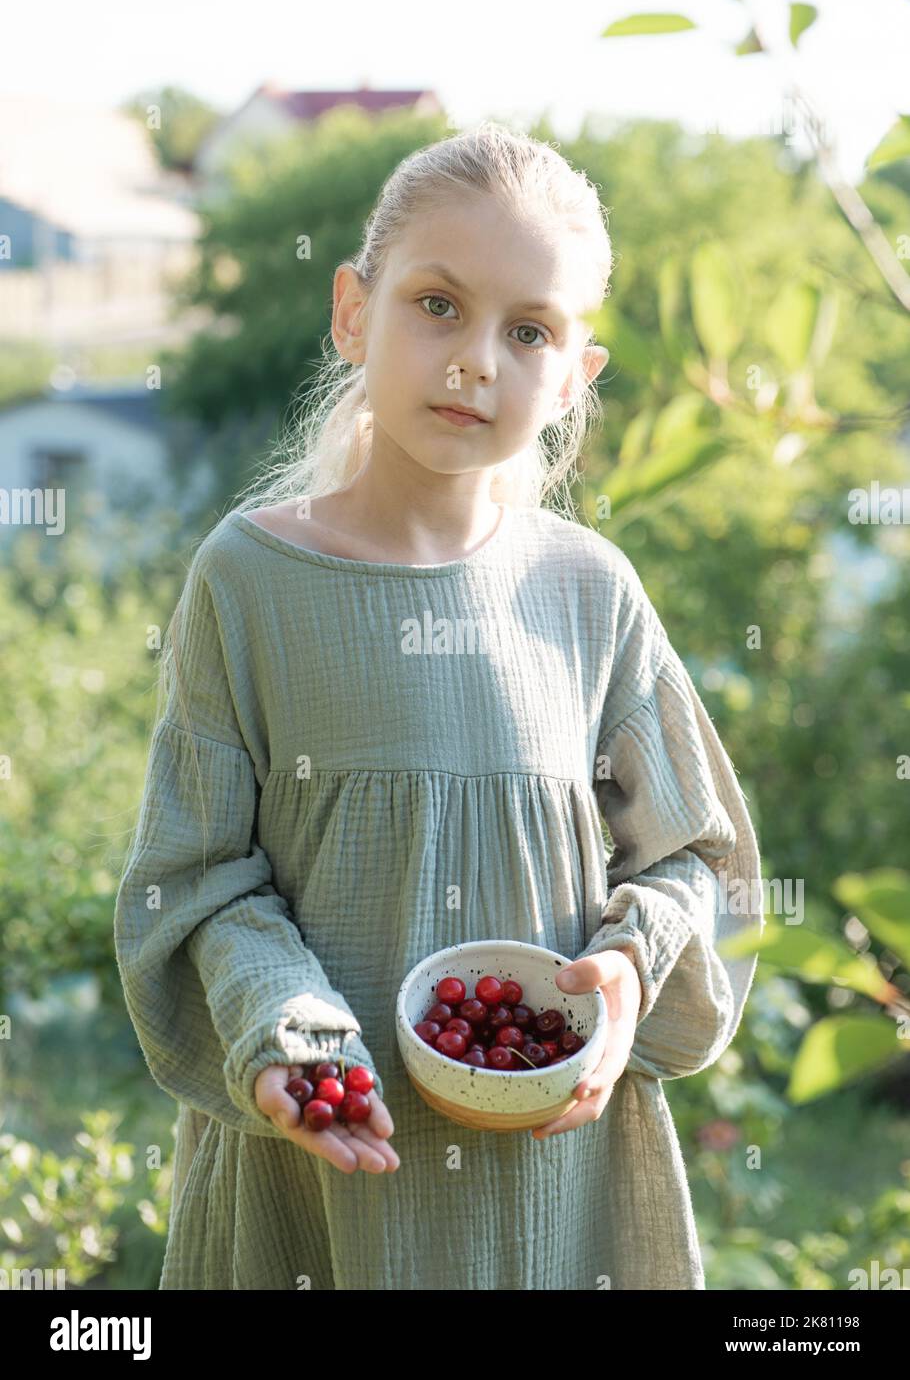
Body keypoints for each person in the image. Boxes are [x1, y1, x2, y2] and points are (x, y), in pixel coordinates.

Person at [114, 120, 763, 1290]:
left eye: (529, 332)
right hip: (314, 1188)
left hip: (548, 1203)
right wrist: (284, 1040)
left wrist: (625, 967)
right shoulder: (249, 581)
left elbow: (696, 865)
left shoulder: (590, 594)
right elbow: (198, 879)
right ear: (353, 311)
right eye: (436, 305)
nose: (476, 360)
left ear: (575, 377)